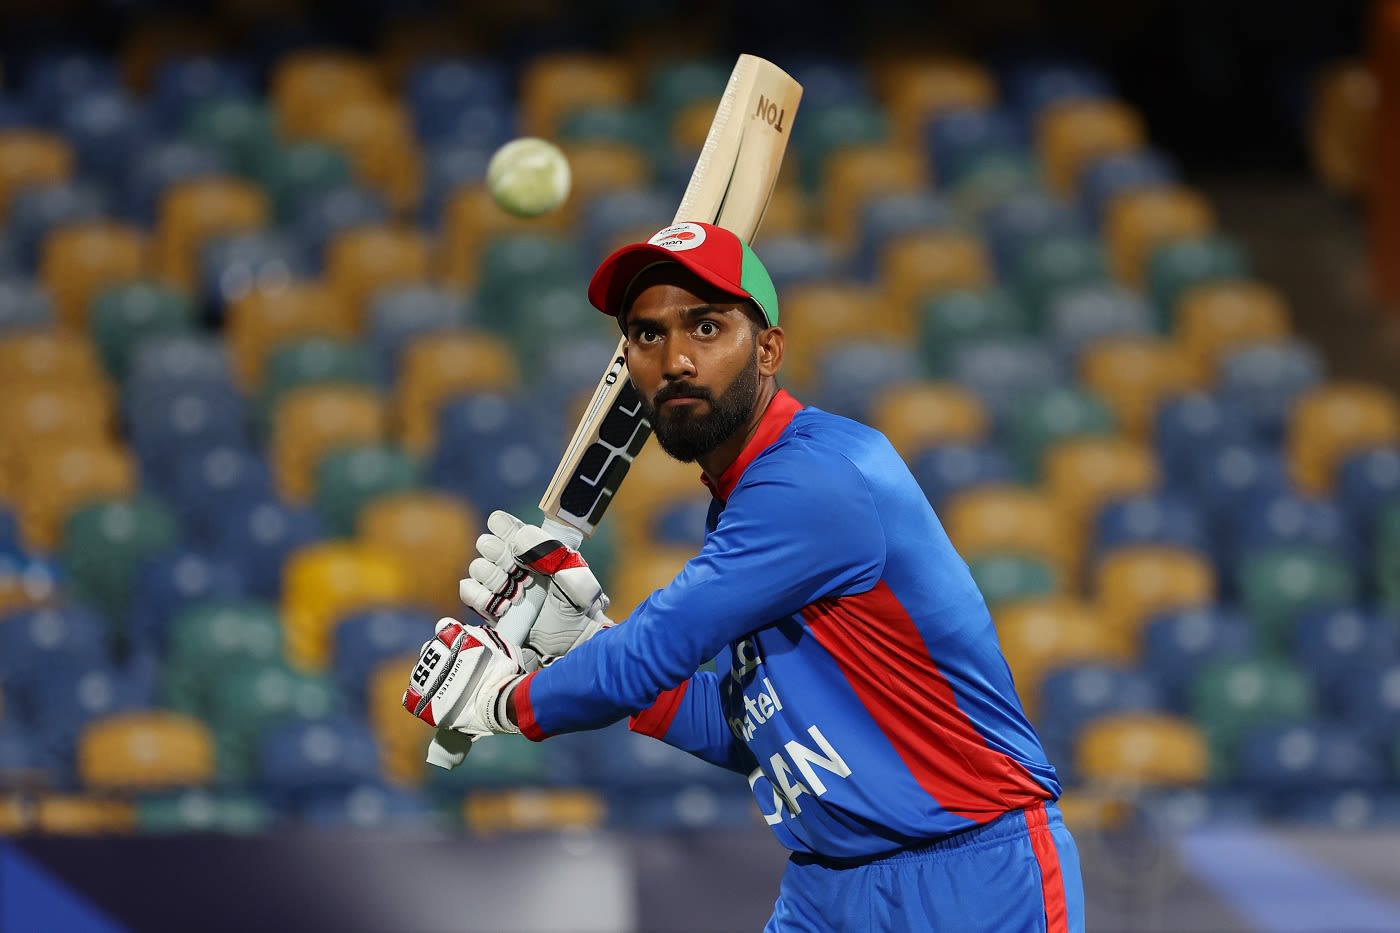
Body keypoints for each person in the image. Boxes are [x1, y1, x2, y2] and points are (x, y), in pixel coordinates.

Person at [402, 220, 1086, 932]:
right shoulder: (742, 496)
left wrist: (511, 703)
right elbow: (759, 731)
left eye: (705, 327)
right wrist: (584, 647)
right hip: (828, 884)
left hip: (970, 874)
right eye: (646, 335)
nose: (674, 361)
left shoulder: (815, 479)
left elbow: (662, 641)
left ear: (768, 348)